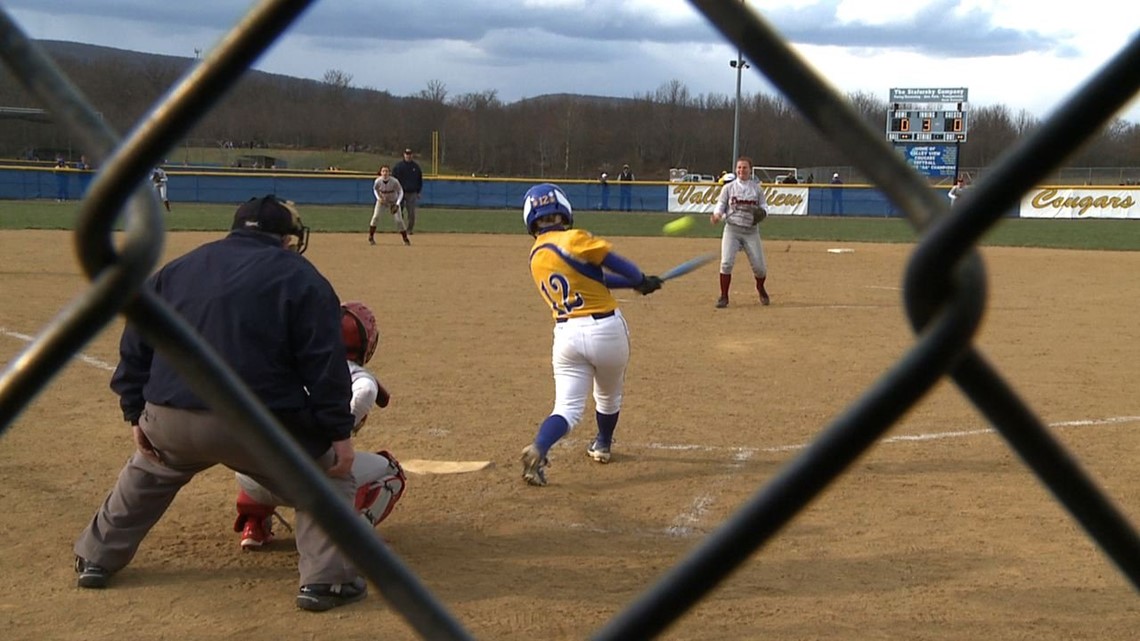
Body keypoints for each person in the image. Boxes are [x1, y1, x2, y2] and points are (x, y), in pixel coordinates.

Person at [73, 195, 369, 613]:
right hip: (259, 424)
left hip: (171, 416)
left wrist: (134, 410)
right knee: (326, 482)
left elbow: (136, 343)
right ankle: (328, 582)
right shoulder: (302, 277)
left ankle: (95, 558)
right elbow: (323, 365)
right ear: (286, 239)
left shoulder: (176, 270)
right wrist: (337, 433)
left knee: (153, 466)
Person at [518, 183, 664, 487]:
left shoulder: (535, 256)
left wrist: (635, 285)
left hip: (567, 335)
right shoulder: (573, 238)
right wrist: (639, 278)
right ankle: (602, 444)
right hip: (606, 330)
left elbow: (593, 279)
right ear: (563, 210)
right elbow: (614, 262)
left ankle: (539, 448)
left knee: (566, 409)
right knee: (608, 396)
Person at [232, 300, 405, 550]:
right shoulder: (359, 377)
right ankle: (353, 532)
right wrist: (341, 422)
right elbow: (366, 392)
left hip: (252, 476)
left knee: (261, 445)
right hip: (308, 479)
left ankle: (254, 523)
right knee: (392, 471)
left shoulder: (285, 360)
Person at [710, 156, 770, 309]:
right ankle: (724, 296)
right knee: (726, 263)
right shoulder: (728, 188)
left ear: (750, 170)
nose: (741, 170)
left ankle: (760, 288)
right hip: (732, 229)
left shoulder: (757, 189)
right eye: (739, 168)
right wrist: (717, 215)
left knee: (760, 268)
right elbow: (721, 205)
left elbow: (765, 207)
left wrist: (762, 212)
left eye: (744, 168)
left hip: (751, 231)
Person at [368, 165, 410, 246]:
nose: (385, 173)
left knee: (399, 220)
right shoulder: (378, 181)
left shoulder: (394, 181)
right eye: (383, 171)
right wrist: (378, 198)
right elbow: (375, 189)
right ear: (380, 173)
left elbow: (400, 191)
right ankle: (371, 236)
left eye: (386, 171)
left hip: (393, 202)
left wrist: (397, 203)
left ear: (389, 173)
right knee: (375, 217)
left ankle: (405, 238)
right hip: (382, 202)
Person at [391, 148, 423, 234]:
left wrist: (418, 191)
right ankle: (401, 229)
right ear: (404, 155)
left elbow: (419, 180)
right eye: (406, 154)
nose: (408, 156)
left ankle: (409, 229)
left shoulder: (416, 167)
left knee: (411, 213)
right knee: (398, 211)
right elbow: (393, 179)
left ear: (412, 155)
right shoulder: (398, 166)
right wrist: (394, 191)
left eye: (409, 154)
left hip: (412, 192)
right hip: (399, 192)